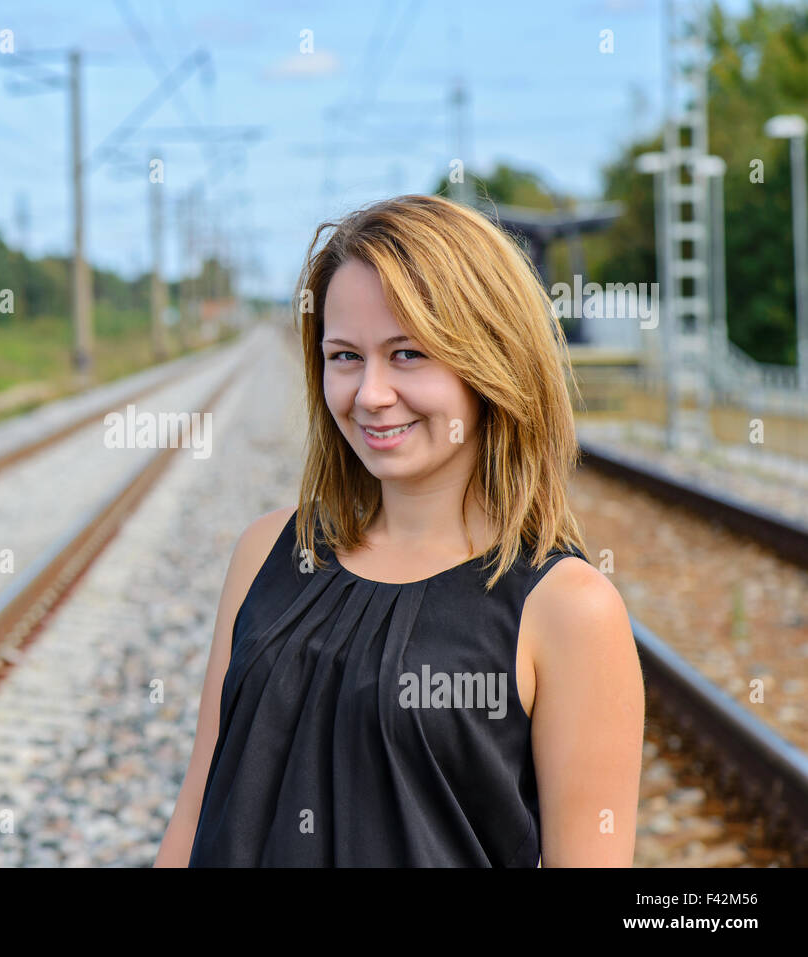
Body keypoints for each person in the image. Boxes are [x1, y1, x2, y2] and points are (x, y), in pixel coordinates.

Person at [154, 193, 644, 867]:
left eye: (408, 353)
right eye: (345, 356)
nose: (370, 393)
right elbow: (195, 812)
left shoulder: (567, 608)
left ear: (491, 360)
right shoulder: (267, 552)